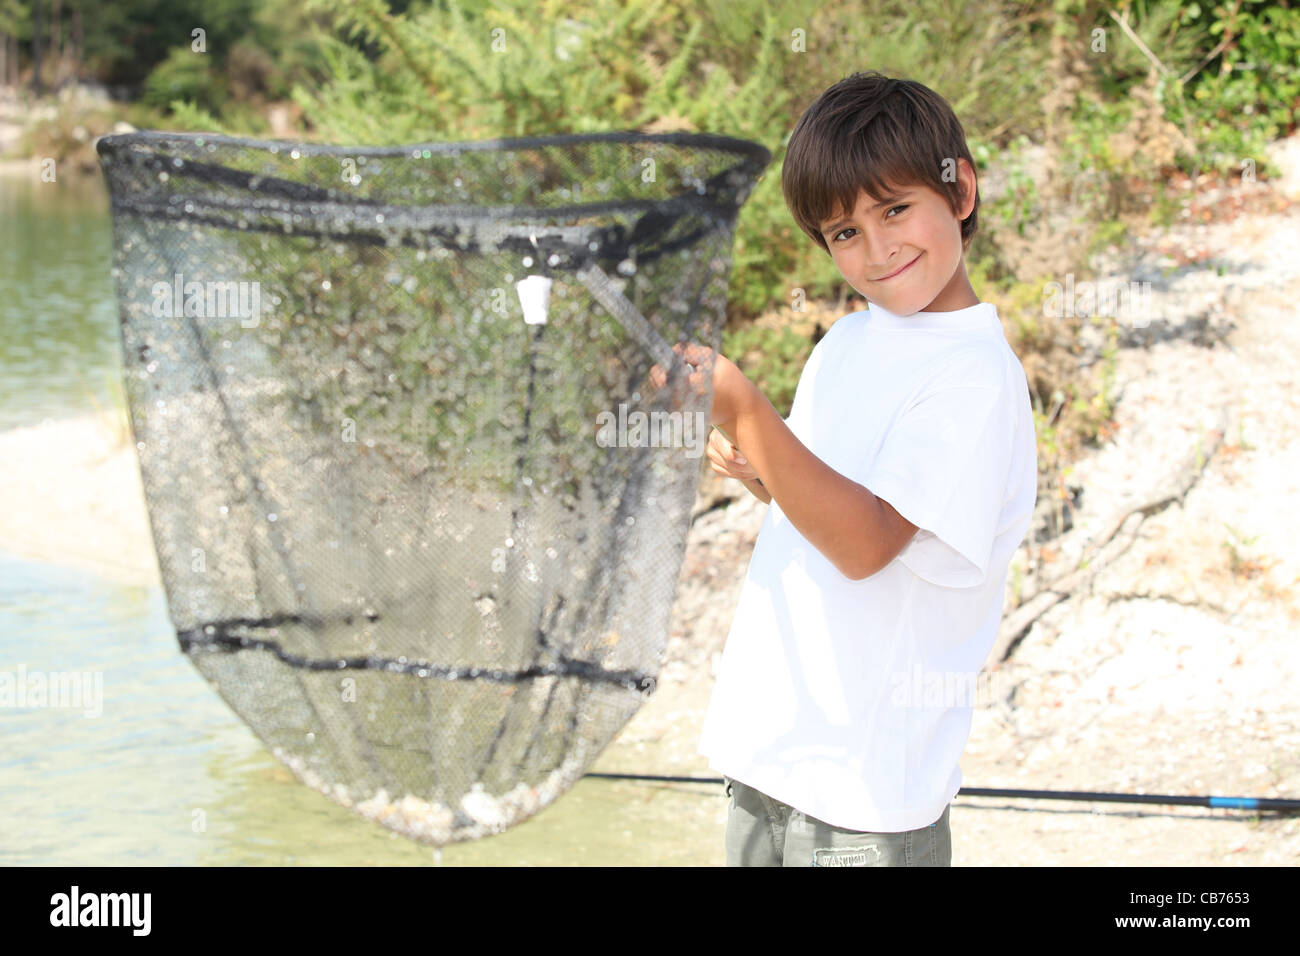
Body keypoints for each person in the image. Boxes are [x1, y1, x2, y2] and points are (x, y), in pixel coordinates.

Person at [653, 71, 1039, 866]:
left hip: (865, 804)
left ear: (960, 189)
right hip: (769, 761)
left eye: (894, 209)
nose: (878, 248)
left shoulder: (973, 375)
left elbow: (866, 545)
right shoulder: (849, 342)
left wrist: (748, 410)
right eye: (843, 233)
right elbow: (824, 500)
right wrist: (756, 460)